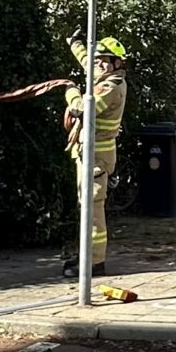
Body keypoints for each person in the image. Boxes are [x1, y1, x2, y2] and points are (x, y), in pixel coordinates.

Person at [62, 36, 127, 278]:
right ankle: (86, 254)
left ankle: (94, 262)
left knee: (92, 209)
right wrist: (75, 43)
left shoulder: (110, 87)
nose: (98, 64)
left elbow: (83, 109)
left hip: (97, 157)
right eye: (97, 59)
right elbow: (87, 61)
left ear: (117, 63)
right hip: (90, 153)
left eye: (104, 60)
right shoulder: (104, 74)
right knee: (86, 208)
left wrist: (71, 92)